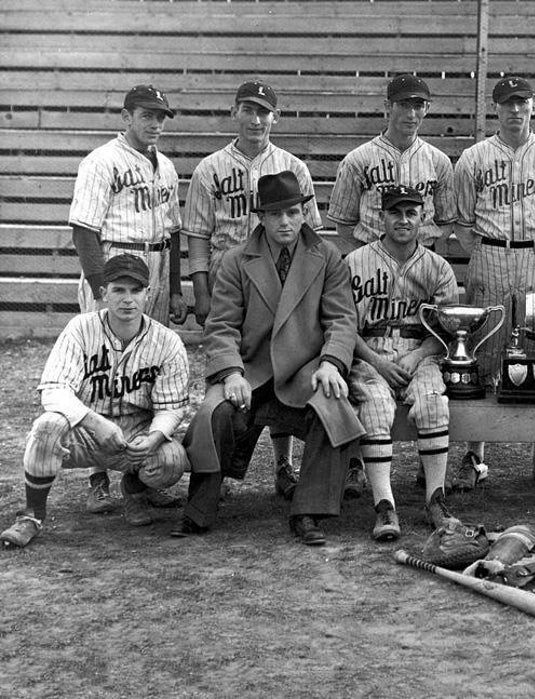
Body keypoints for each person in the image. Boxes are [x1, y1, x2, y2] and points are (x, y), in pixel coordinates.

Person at [172, 171, 365, 546]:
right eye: (275, 214)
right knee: (214, 413)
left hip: (304, 370)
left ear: (304, 213)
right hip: (251, 371)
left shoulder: (327, 257)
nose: (285, 222)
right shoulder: (235, 260)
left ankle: (308, 512)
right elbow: (221, 325)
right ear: (260, 217)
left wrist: (331, 363)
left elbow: (342, 319)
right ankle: (198, 511)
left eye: (293, 212)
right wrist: (230, 373)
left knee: (332, 404)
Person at [182, 79, 322, 501]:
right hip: (232, 282)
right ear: (235, 113)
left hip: (280, 283)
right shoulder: (210, 168)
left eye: (264, 111)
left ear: (274, 118)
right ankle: (219, 472)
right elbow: (197, 235)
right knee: (234, 380)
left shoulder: (293, 166)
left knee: (283, 371)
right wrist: (202, 293)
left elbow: (310, 232)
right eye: (248, 109)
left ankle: (284, 464)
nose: (256, 118)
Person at [1, 255, 189, 548]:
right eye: (119, 290)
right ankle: (31, 516)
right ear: (103, 293)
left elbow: (172, 406)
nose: (128, 300)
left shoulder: (167, 342)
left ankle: (134, 488)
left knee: (172, 459)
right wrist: (93, 422)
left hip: (134, 437)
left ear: (148, 294)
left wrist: (153, 439)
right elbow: (52, 389)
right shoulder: (80, 328)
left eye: (135, 290)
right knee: (47, 426)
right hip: (85, 430)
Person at [69, 84, 187, 513]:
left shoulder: (167, 167)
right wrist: (103, 288)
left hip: (153, 266)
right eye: (146, 115)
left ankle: (139, 478)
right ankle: (96, 476)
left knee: (148, 364)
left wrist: (174, 288)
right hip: (115, 263)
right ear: (126, 117)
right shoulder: (102, 161)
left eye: (160, 117)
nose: (154, 123)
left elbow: (172, 233)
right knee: (96, 365)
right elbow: (84, 229)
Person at [451, 76, 535, 491]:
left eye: (522, 103)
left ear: (534, 106)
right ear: (496, 108)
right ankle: (474, 455)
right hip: (491, 253)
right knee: (483, 354)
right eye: (507, 104)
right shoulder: (473, 158)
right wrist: (488, 250)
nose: (515, 111)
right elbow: (463, 224)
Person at [346, 185, 460, 540]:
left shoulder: (438, 267)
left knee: (433, 405)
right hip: (369, 351)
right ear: (381, 217)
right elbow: (342, 327)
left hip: (420, 352)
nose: (404, 220)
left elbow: (447, 331)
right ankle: (384, 506)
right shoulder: (355, 262)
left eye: (411, 213)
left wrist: (417, 356)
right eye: (396, 212)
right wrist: (377, 363)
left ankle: (435, 500)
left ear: (422, 219)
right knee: (377, 408)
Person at [327, 74, 455, 253]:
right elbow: (343, 224)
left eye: (417, 106)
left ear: (427, 108)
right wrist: (368, 256)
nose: (411, 114)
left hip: (422, 255)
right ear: (388, 106)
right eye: (403, 105)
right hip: (371, 255)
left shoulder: (439, 161)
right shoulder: (358, 160)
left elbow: (446, 221)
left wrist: (425, 258)